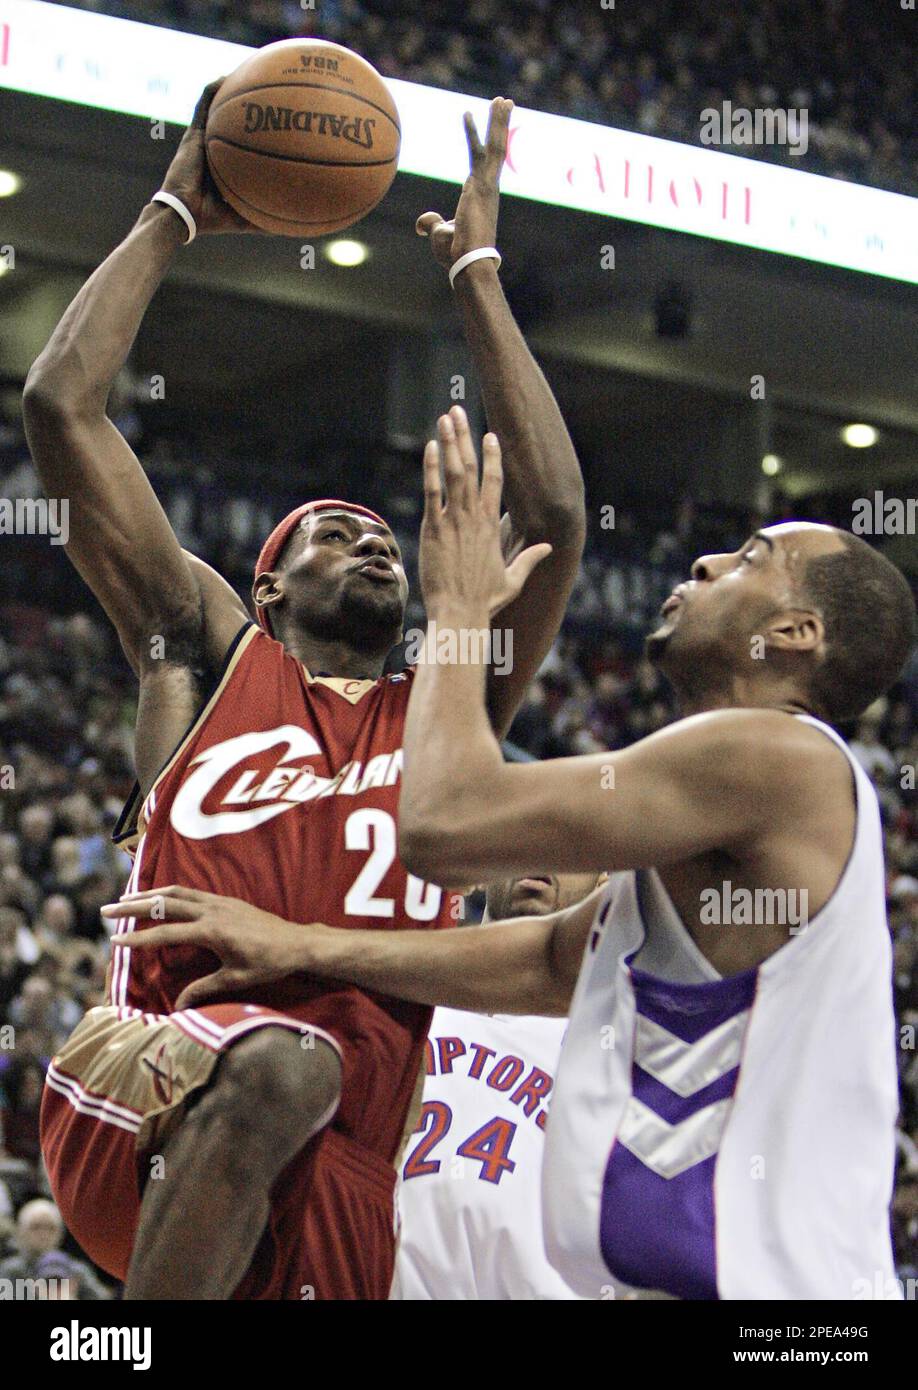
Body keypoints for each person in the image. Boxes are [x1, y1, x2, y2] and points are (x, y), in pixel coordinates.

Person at [117, 421, 916, 1299]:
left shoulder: (779, 756)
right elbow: (544, 959)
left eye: (751, 558)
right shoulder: (713, 834)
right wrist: (303, 943)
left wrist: (458, 612)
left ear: (796, 633)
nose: (707, 564)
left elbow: (444, 821)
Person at [24, 83, 585, 1301]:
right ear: (266, 589)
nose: (374, 545)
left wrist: (479, 272)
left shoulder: (449, 707)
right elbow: (61, 409)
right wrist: (178, 204)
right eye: (333, 534)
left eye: (385, 535)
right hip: (155, 1083)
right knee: (286, 1063)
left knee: (307, 1082)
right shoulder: (211, 658)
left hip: (348, 1168)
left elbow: (551, 521)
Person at [391, 872, 603, 1301]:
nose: (542, 852)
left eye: (567, 841)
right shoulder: (402, 992)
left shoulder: (618, 1033)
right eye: (527, 831)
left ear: (604, 879)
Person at [0, 1198, 110, 1299]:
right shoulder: (11, 1271)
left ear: (60, 1233)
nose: (43, 1234)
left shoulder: (77, 1271)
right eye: (35, 1227)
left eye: (50, 1228)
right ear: (20, 1232)